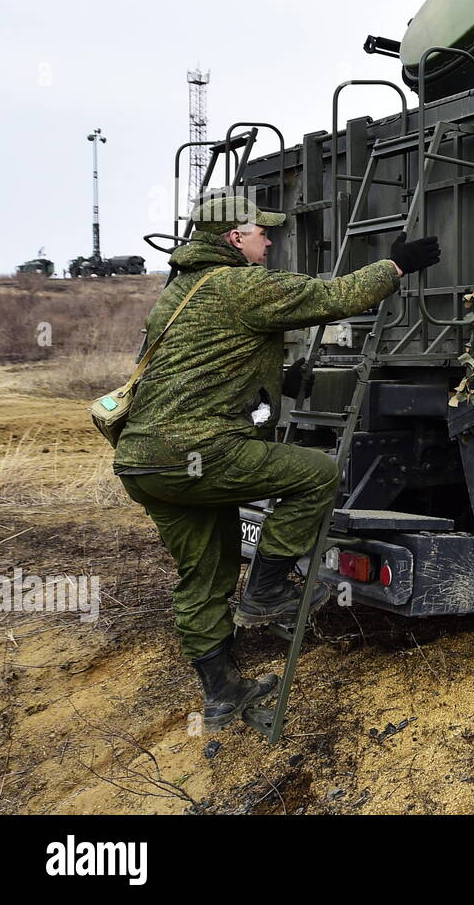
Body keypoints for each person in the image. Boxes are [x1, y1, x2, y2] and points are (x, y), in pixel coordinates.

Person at [113, 193, 440, 730]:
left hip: (145, 464)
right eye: (260, 233)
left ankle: (222, 694)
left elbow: (197, 362)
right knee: (317, 474)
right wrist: (397, 264)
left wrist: (275, 382)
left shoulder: (179, 291)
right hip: (198, 450)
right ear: (233, 239)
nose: (270, 240)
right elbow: (332, 297)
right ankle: (266, 592)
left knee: (204, 576)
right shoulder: (239, 285)